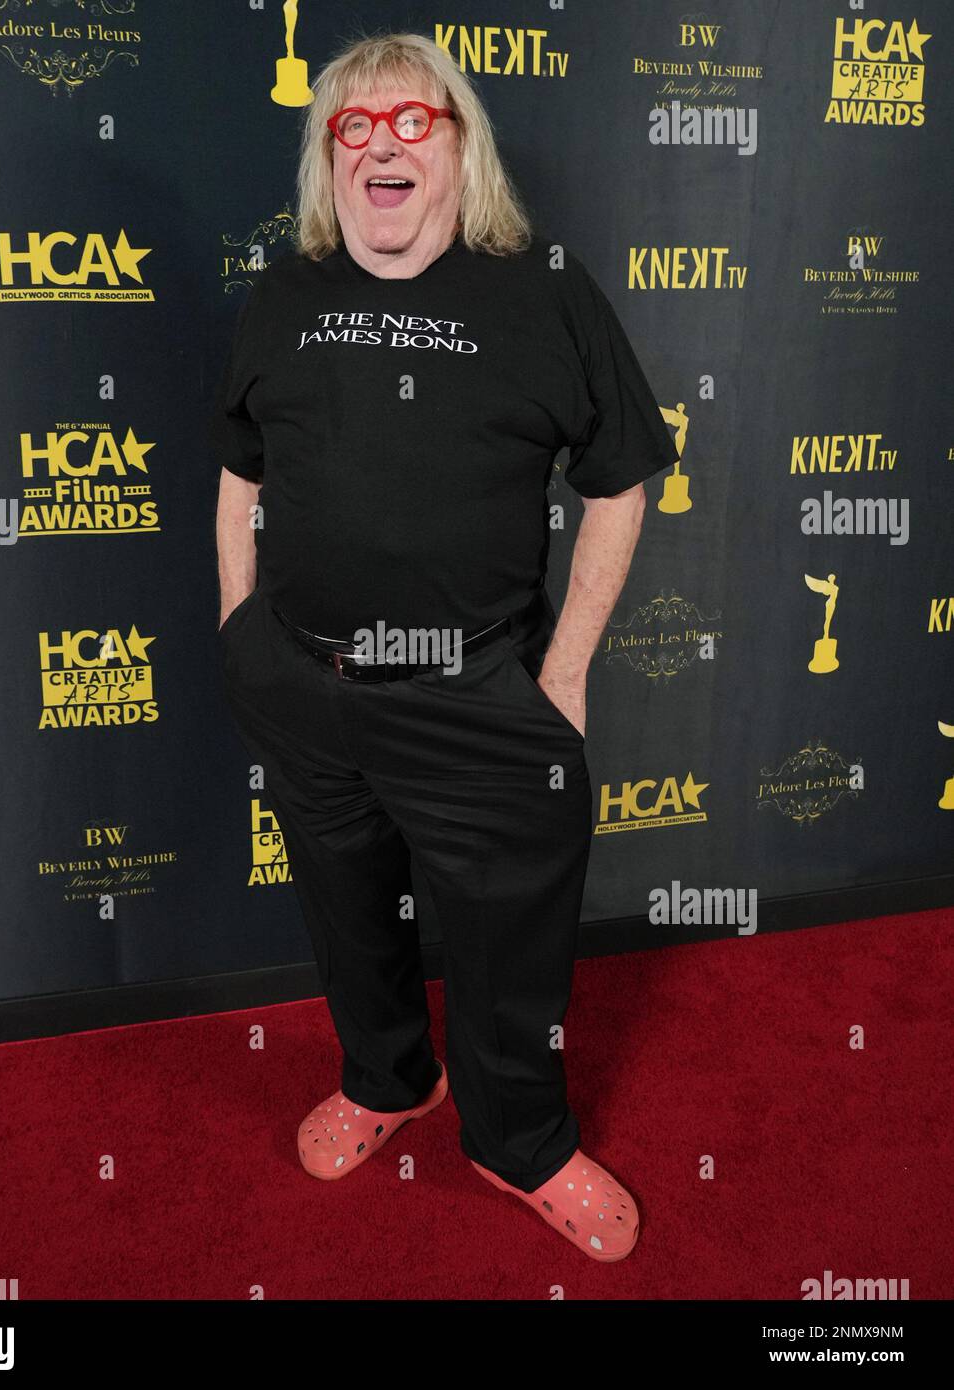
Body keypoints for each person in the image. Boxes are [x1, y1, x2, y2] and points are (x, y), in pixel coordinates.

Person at [210, 32, 679, 1263]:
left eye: (410, 122)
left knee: (507, 943)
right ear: (327, 159)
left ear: (458, 147)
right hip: (301, 685)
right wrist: (238, 623)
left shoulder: (544, 294)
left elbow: (622, 483)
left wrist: (563, 671)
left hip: (474, 694)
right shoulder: (284, 293)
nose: (380, 145)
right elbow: (236, 464)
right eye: (351, 128)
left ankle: (515, 1142)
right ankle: (384, 1080)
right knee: (345, 914)